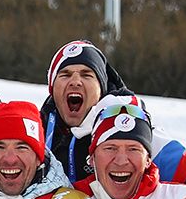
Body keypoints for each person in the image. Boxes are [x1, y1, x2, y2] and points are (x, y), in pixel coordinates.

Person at [40, 40, 125, 182]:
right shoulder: (36, 132)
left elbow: (172, 160)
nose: (75, 82)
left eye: (86, 75)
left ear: (101, 89)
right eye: (65, 75)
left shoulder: (130, 130)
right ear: (53, 89)